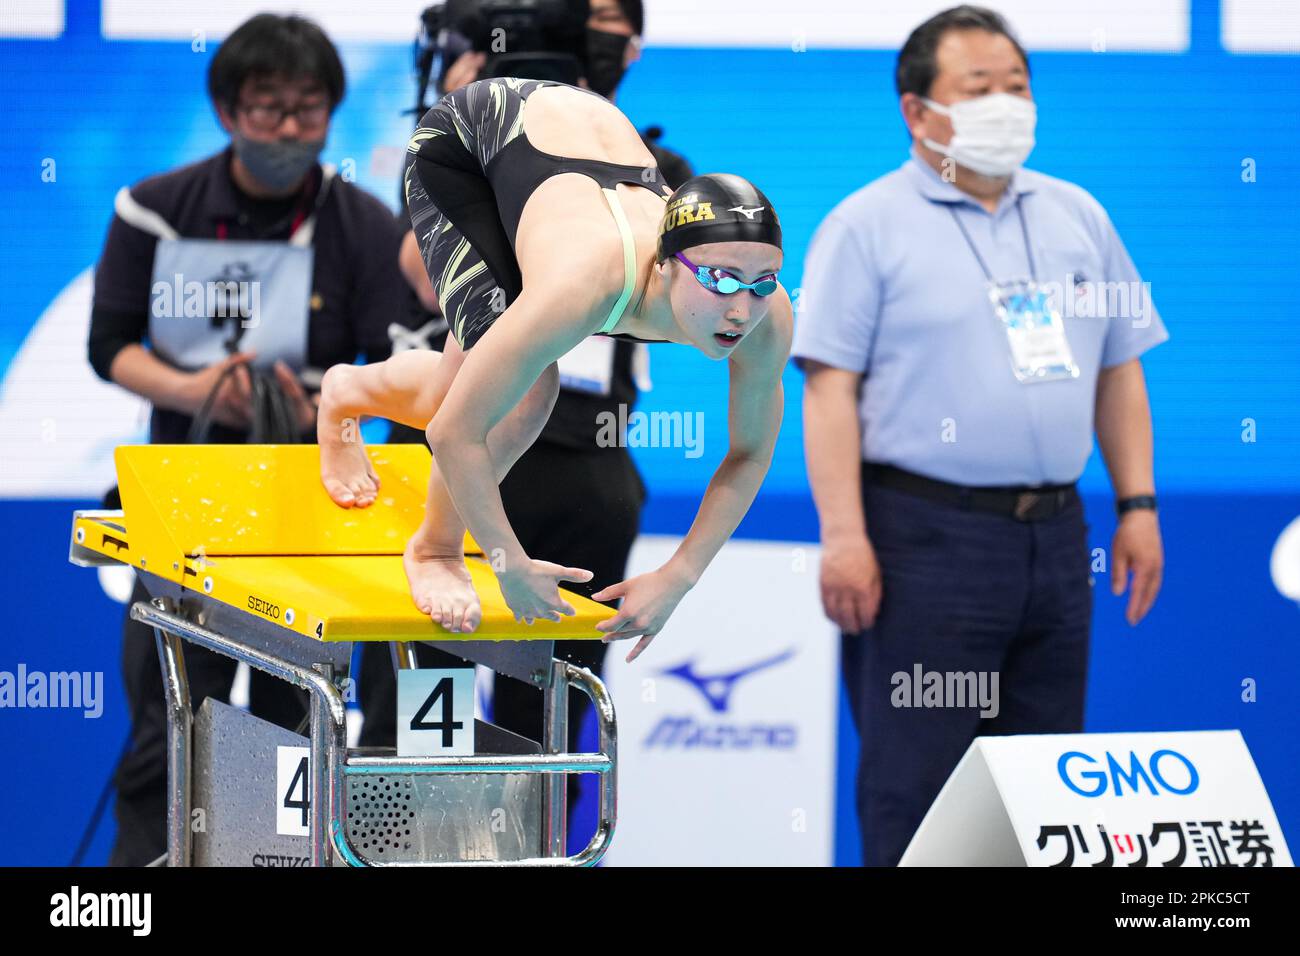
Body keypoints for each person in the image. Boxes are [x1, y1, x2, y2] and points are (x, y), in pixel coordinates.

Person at [792, 5, 1167, 866]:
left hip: (1056, 538)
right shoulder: (867, 225)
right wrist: (844, 535)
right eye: (979, 89)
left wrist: (1138, 504)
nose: (1007, 104)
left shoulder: (1078, 215)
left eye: (1017, 87)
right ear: (918, 112)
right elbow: (828, 391)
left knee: (1043, 784)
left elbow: (1120, 368)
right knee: (918, 786)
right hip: (924, 539)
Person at [88, 13, 417, 865]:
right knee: (170, 729)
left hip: (304, 526)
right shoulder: (154, 210)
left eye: (309, 109)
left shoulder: (364, 226)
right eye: (268, 108)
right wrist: (194, 391)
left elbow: (404, 367)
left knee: (285, 730)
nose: (289, 128)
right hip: (177, 515)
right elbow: (110, 346)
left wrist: (320, 400)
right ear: (229, 110)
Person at [316, 74, 791, 664]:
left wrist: (680, 574)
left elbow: (750, 453)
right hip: (470, 146)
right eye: (719, 281)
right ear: (666, 268)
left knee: (461, 386)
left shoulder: (768, 318)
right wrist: (504, 560)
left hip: (579, 146)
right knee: (521, 397)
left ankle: (344, 388)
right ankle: (434, 548)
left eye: (761, 283)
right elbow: (452, 434)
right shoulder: (586, 283)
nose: (741, 309)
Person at [363, 0, 696, 823]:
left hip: (590, 460)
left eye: (610, 19)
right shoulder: (480, 135)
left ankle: (532, 841)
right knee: (421, 713)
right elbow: (416, 269)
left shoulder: (659, 165)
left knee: (552, 720)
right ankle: (409, 841)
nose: (594, 31)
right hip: (473, 450)